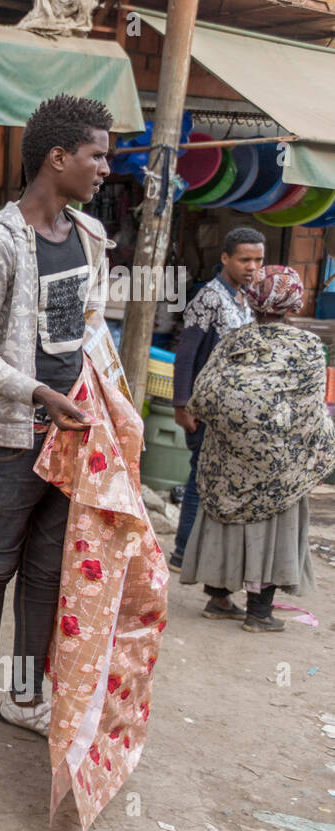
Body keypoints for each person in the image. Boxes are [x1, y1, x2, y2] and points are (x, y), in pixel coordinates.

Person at [0, 95, 113, 736]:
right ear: (58, 158)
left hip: (70, 437)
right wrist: (41, 395)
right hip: (14, 436)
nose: (103, 169)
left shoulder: (90, 239)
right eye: (96, 156)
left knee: (46, 571)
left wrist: (104, 404)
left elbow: (85, 335)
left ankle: (25, 694)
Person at [180, 266, 335, 632]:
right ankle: (259, 614)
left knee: (225, 520)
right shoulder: (309, 348)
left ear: (253, 301)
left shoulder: (234, 341)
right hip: (280, 466)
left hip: (227, 463)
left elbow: (202, 394)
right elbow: (311, 412)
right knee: (272, 527)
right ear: (293, 305)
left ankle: (218, 599)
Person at [168, 227, 263, 586]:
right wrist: (181, 405)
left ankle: (196, 553)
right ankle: (182, 551)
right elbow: (186, 356)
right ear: (225, 259)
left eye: (257, 260)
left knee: (213, 481)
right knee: (199, 478)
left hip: (230, 414)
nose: (252, 267)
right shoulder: (209, 298)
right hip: (205, 409)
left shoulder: (244, 298)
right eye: (244, 259)